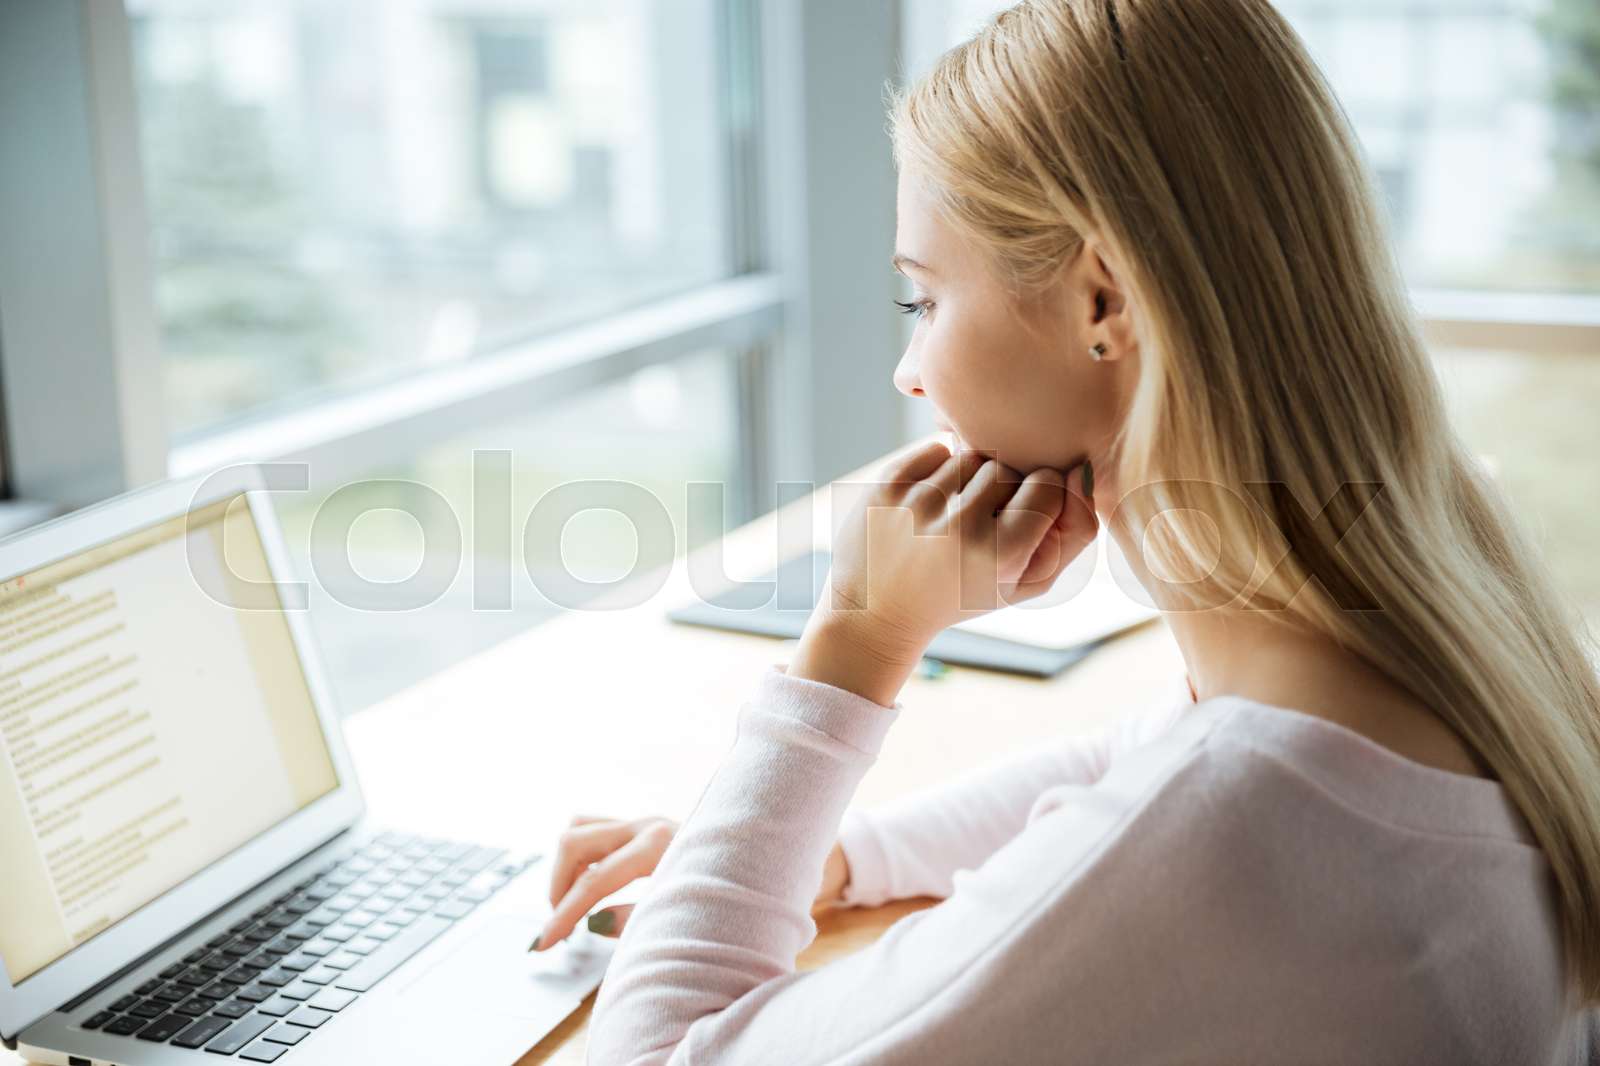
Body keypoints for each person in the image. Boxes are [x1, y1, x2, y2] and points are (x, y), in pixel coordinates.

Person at [533, 1, 1600, 1061]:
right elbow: (1152, 758)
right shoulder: (1443, 573)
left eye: (924, 301)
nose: (910, 373)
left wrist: (854, 644)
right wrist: (837, 857)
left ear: (1104, 301)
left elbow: (652, 1051)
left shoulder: (1235, 825)